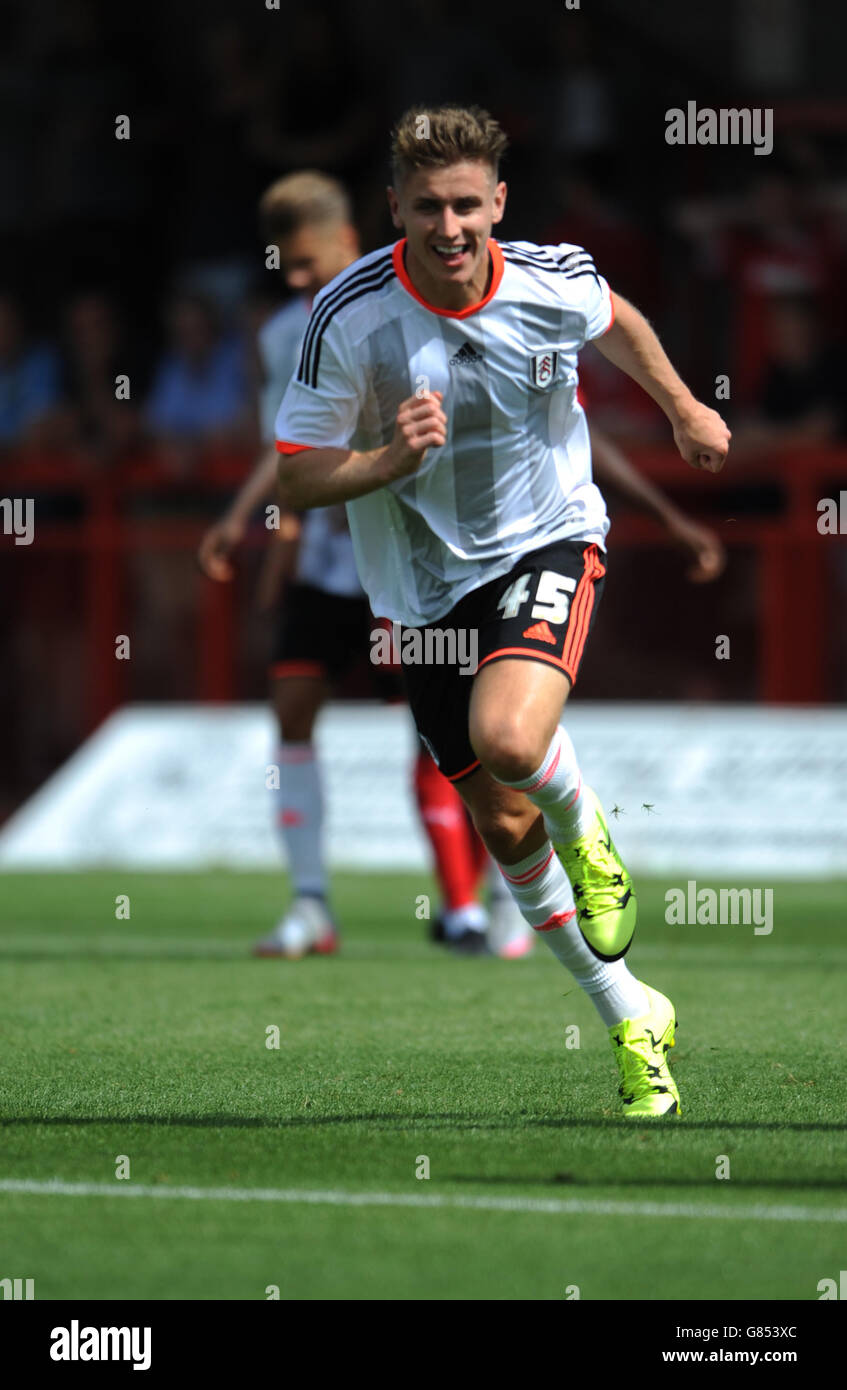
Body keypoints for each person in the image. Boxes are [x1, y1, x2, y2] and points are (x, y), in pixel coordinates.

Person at [273, 105, 730, 1117]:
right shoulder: (347, 315)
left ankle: (591, 827)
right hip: (420, 587)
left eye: (467, 206)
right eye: (427, 206)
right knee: (501, 817)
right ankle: (627, 1010)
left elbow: (616, 322)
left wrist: (682, 407)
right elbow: (294, 481)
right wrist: (390, 459)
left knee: (510, 736)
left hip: (547, 536)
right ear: (392, 207)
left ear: (499, 205)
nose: (448, 227)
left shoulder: (548, 279)